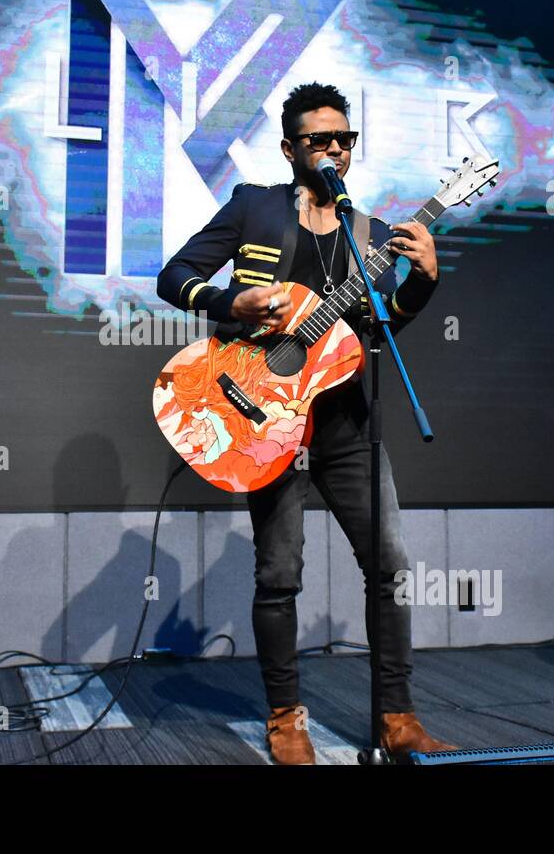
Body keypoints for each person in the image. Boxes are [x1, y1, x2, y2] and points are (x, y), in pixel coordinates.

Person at [157, 82, 457, 764]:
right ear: (291, 147)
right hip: (263, 420)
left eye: (344, 139)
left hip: (347, 422)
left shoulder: (368, 234)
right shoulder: (253, 208)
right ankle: (286, 717)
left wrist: (424, 281)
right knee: (279, 572)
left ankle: (397, 716)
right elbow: (173, 276)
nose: (333, 150)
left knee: (388, 563)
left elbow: (373, 333)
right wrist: (233, 301)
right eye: (319, 139)